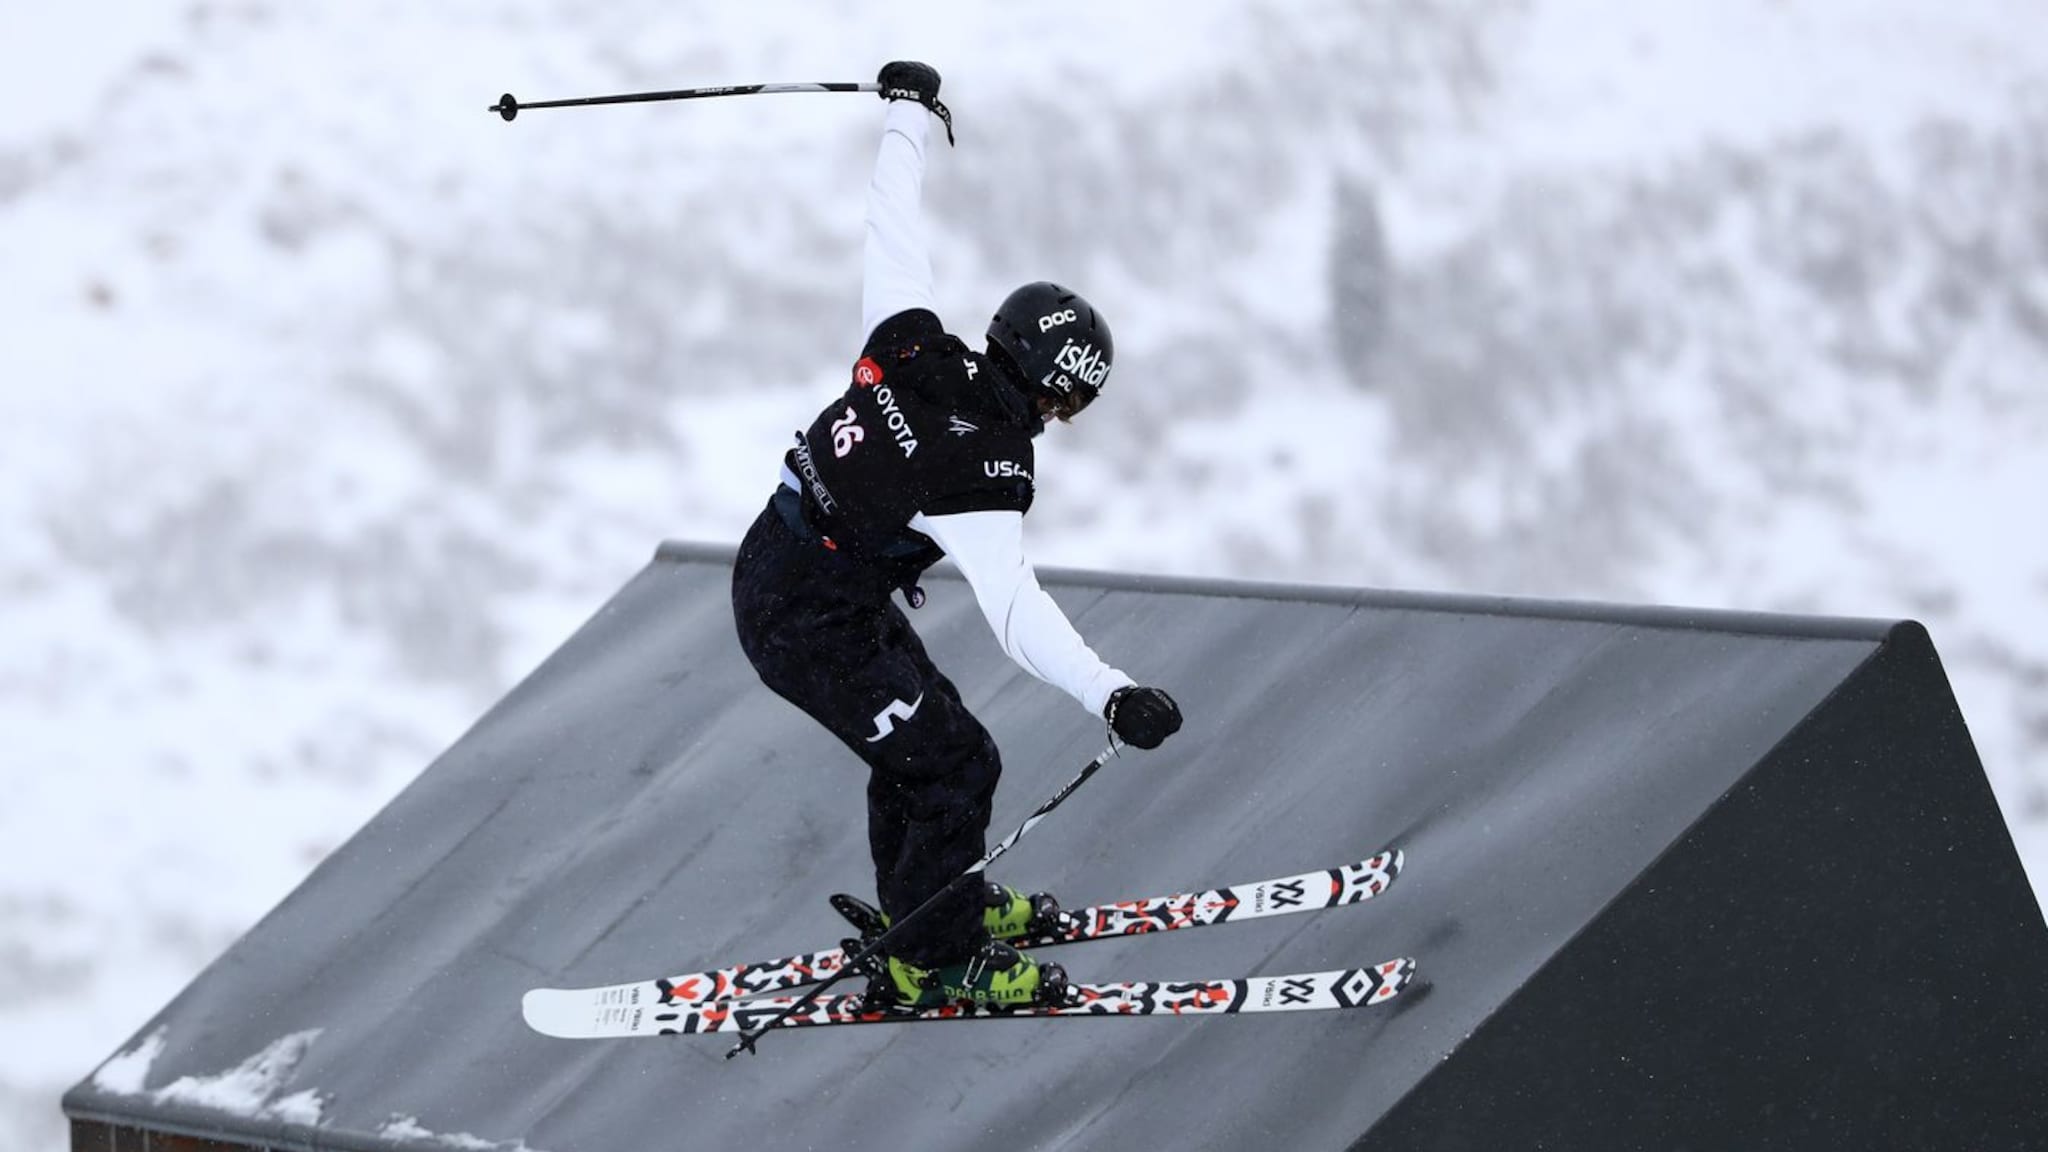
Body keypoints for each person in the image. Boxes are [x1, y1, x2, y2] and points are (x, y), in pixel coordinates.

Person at [730, 61, 1183, 1010]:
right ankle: (928, 958)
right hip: (806, 615)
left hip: (789, 572)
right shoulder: (981, 470)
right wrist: (1113, 693)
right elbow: (1017, 612)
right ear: (1051, 388)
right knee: (955, 762)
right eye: (1070, 401)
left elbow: (890, 227)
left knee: (932, 735)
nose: (1063, 420)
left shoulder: (915, 342)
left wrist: (906, 117)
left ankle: (931, 903)